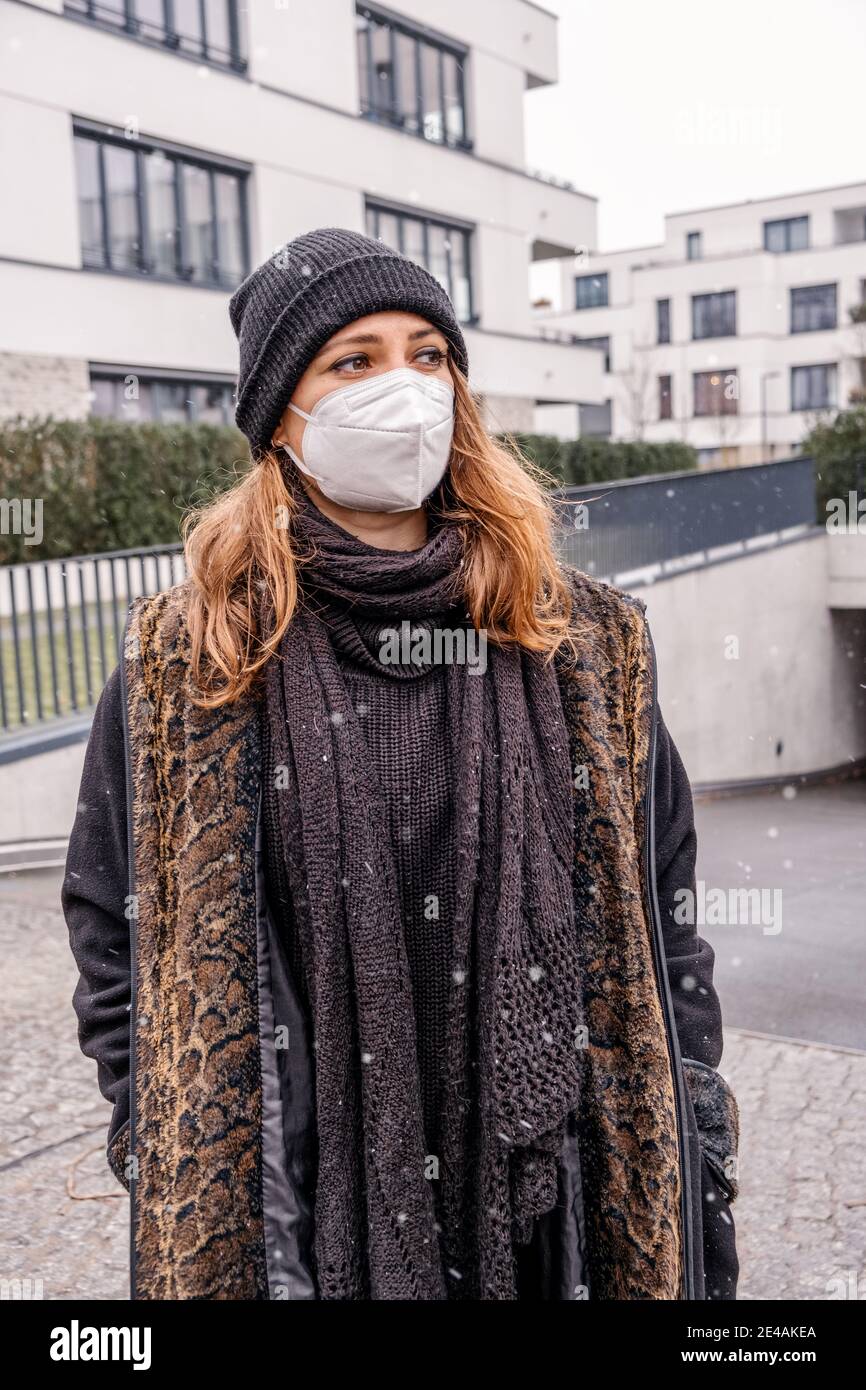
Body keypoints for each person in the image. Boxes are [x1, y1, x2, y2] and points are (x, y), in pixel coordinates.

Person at [63, 227, 739, 1302]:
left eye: (428, 354)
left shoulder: (580, 641)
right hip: (305, 1211)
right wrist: (161, 1133)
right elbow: (114, 926)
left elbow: (661, 900)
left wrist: (687, 1108)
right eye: (354, 360)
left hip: (551, 1199)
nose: (403, 386)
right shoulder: (189, 662)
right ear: (280, 412)